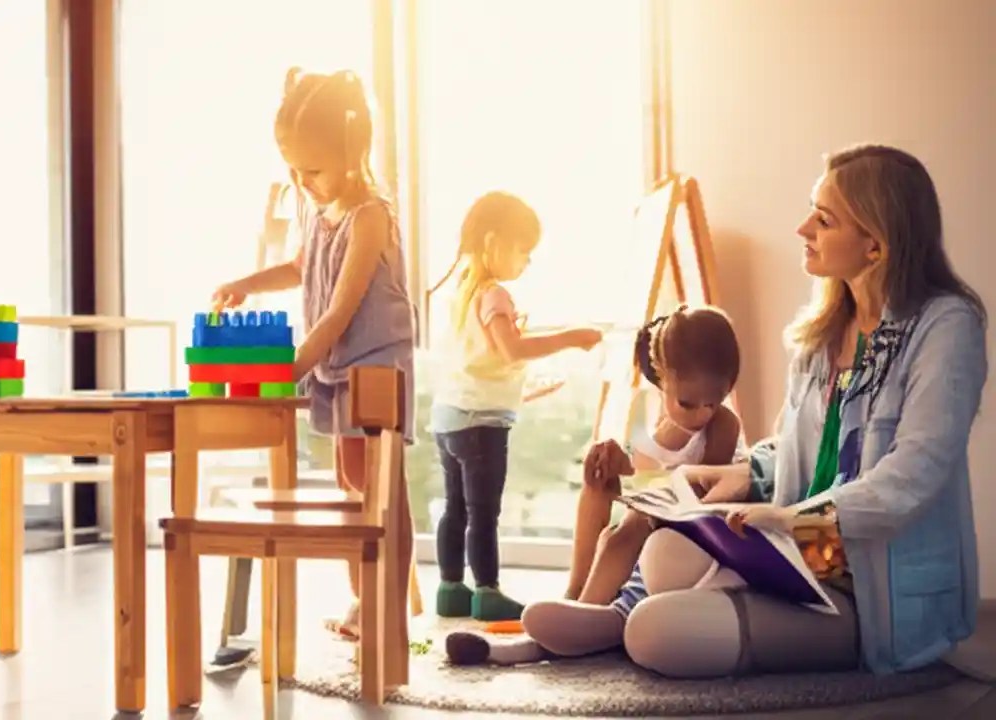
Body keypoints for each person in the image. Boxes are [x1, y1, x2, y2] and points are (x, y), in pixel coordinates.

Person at [467, 144, 989, 677]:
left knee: (657, 632)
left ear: (874, 246)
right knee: (664, 551)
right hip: (802, 555)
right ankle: (611, 622)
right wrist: (736, 476)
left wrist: (789, 519)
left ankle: (624, 626)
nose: (802, 228)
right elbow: (787, 450)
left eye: (824, 220)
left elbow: (912, 478)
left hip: (870, 587)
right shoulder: (824, 333)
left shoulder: (946, 327)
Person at [211, 67, 415, 638]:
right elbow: (302, 268)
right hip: (335, 367)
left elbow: (340, 309)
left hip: (375, 366)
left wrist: (287, 369)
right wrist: (247, 282)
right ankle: (361, 599)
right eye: (294, 171)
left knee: (381, 488)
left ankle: (388, 610)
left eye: (314, 171)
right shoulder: (314, 207)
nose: (304, 183)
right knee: (351, 483)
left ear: (353, 151)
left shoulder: (370, 216)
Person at [446, 305, 745, 663]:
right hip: (647, 526)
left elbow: (697, 488)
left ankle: (564, 628)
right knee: (600, 492)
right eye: (688, 402)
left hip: (692, 533)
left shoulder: (723, 425)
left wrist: (642, 492)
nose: (703, 414)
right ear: (662, 376)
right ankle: (573, 599)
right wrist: (616, 467)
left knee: (624, 533)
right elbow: (643, 482)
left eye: (715, 402)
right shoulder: (643, 412)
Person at [426, 191, 603, 621]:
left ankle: (451, 588)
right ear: (495, 243)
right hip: (481, 425)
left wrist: (522, 392)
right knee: (484, 511)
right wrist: (570, 337)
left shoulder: (459, 293)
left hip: (450, 417)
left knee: (455, 507)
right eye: (524, 251)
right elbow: (510, 350)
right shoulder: (494, 294)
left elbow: (478, 363)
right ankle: (487, 591)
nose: (527, 262)